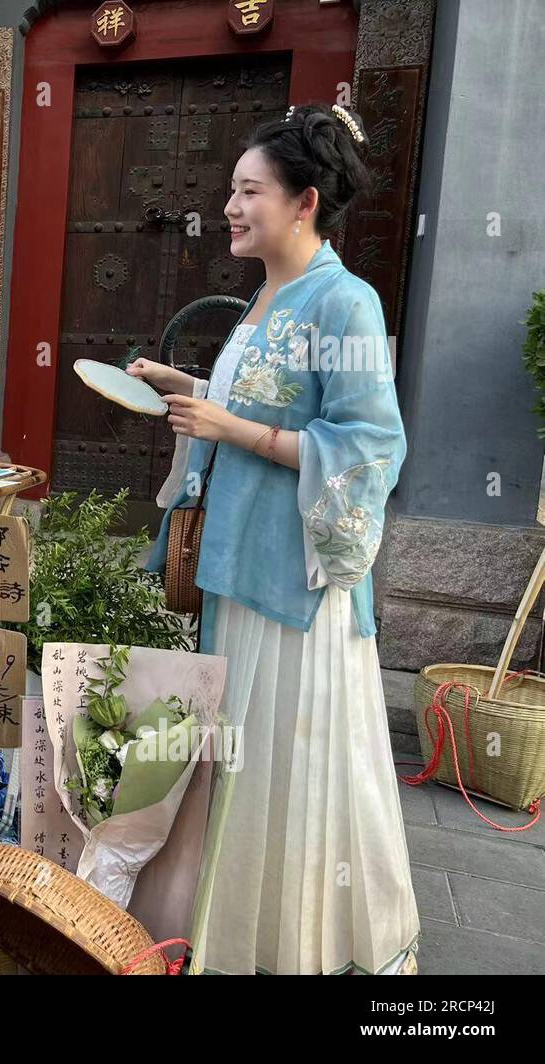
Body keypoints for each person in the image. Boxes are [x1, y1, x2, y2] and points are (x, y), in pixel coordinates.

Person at [131, 104, 420, 974]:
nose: (230, 205)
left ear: (304, 202)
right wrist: (181, 386)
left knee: (283, 761)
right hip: (235, 559)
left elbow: (373, 447)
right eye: (230, 190)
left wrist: (229, 428)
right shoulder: (266, 297)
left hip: (294, 585)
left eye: (249, 190)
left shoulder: (346, 301)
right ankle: (224, 924)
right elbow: (257, 409)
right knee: (231, 755)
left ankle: (289, 941)